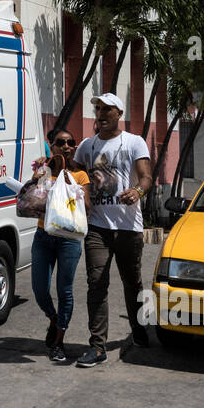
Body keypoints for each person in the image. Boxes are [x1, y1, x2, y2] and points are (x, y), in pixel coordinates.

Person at [73, 93, 153, 365]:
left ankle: (140, 329)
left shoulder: (133, 142)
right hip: (98, 227)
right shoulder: (87, 146)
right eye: (97, 109)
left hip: (129, 228)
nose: (101, 114)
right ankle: (97, 346)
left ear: (119, 114)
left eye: (107, 110)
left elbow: (146, 177)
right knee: (96, 283)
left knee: (133, 283)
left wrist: (137, 191)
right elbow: (74, 176)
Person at [29, 128, 90, 362]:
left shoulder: (81, 175)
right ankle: (54, 319)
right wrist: (36, 179)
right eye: (60, 142)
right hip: (44, 234)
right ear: (51, 146)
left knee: (65, 290)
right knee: (39, 289)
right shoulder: (43, 172)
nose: (66, 146)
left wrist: (73, 187)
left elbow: (88, 208)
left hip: (69, 239)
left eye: (70, 142)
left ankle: (58, 342)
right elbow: (33, 202)